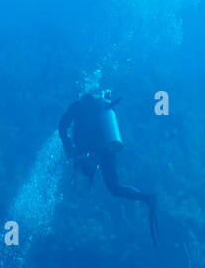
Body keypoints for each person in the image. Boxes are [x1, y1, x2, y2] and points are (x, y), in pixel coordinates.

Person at [58, 89, 158, 246]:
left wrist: (68, 146)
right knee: (114, 187)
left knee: (85, 173)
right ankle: (147, 197)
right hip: (106, 148)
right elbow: (64, 128)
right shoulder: (101, 109)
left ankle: (147, 198)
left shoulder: (77, 106)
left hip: (92, 149)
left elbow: (62, 126)